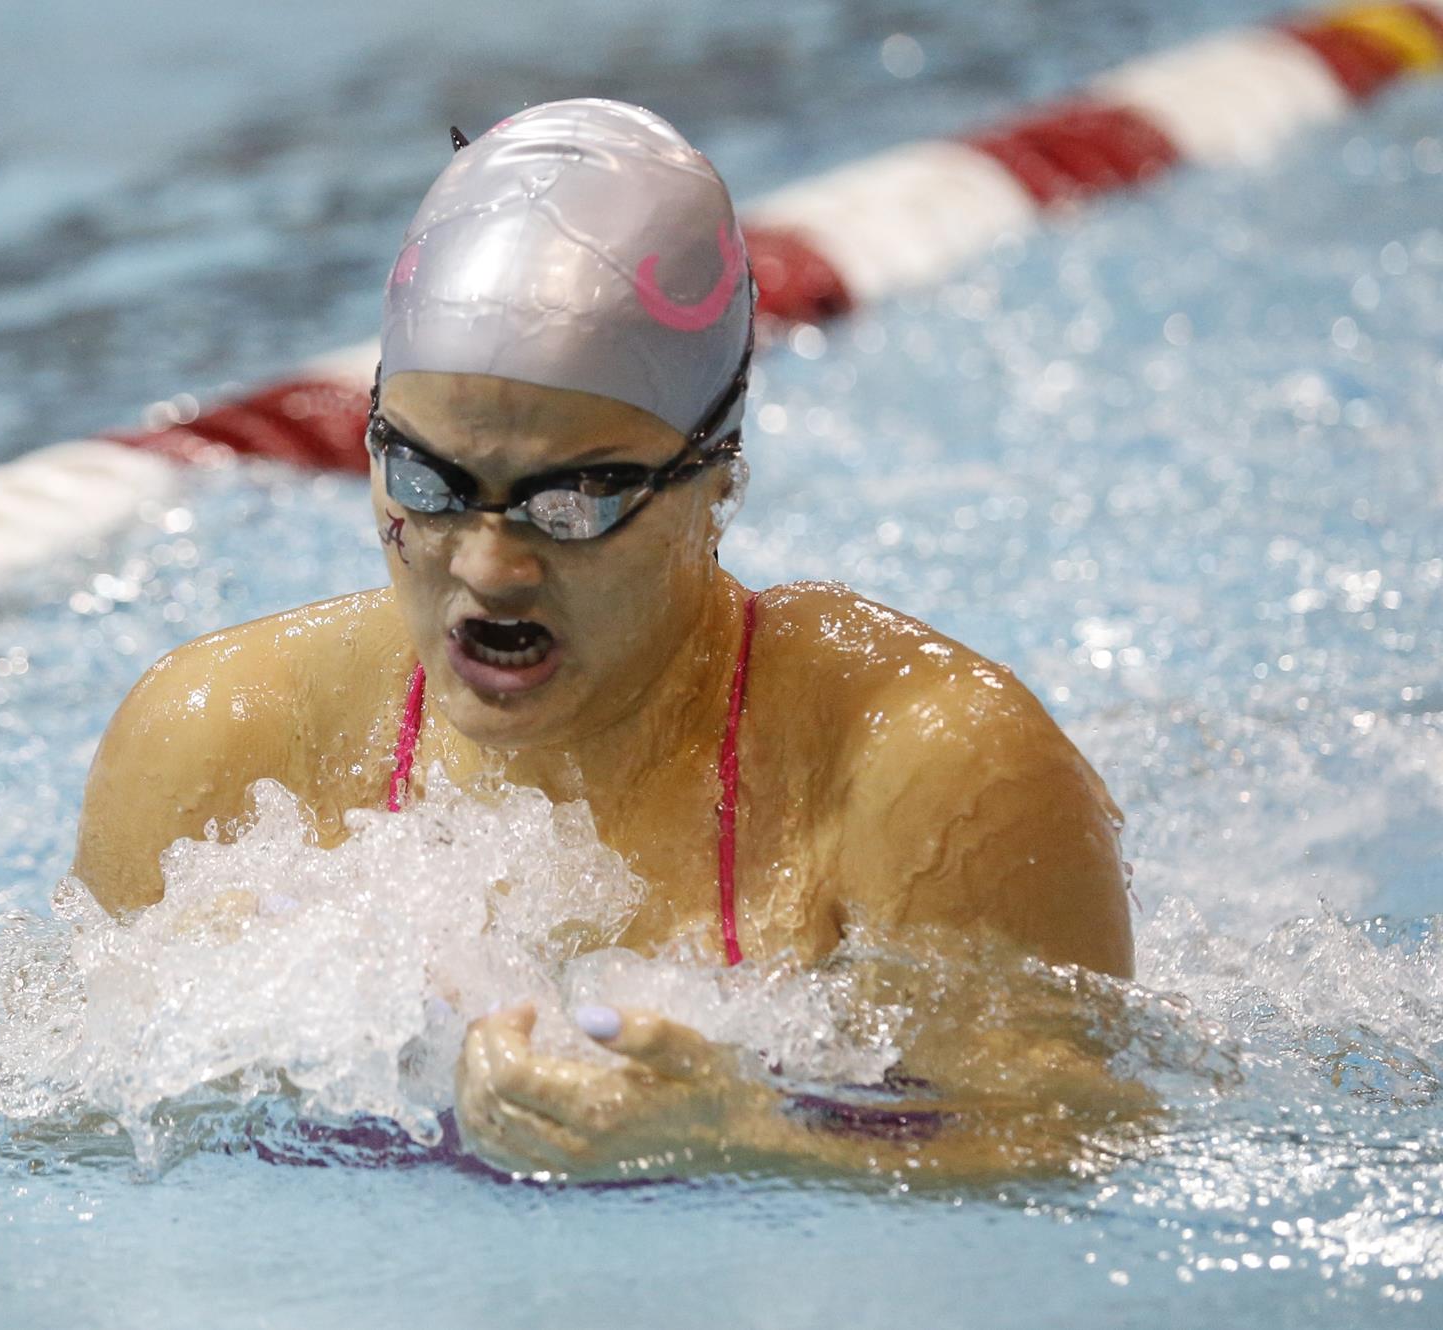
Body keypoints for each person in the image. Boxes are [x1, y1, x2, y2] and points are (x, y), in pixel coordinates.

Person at [74, 99, 1136, 1179]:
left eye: (569, 501)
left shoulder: (928, 768)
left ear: (712, 487)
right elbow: (49, 1134)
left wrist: (751, 1138)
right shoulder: (220, 743)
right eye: (428, 482)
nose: (487, 569)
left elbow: (1087, 1146)